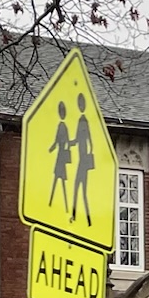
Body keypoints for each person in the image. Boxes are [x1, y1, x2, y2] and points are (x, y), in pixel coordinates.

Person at [69, 92, 97, 224]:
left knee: (79, 188)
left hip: (83, 161)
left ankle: (82, 217)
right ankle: (86, 219)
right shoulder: (82, 121)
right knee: (79, 188)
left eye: (81, 104)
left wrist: (89, 153)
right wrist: (69, 143)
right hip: (82, 159)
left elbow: (88, 138)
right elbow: (80, 139)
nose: (80, 106)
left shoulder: (82, 121)